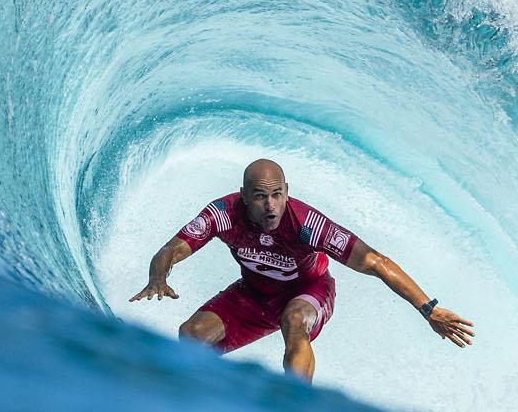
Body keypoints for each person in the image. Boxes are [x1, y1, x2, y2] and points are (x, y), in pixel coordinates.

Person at [130, 158, 474, 383]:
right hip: (253, 296)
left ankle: (295, 409)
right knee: (191, 334)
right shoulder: (224, 213)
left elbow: (376, 262)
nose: (270, 206)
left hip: (309, 293)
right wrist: (158, 276)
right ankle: (201, 398)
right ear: (244, 197)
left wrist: (428, 309)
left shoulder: (307, 224)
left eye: (277, 195)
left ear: (287, 192)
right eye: (261, 197)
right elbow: (172, 248)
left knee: (294, 320)